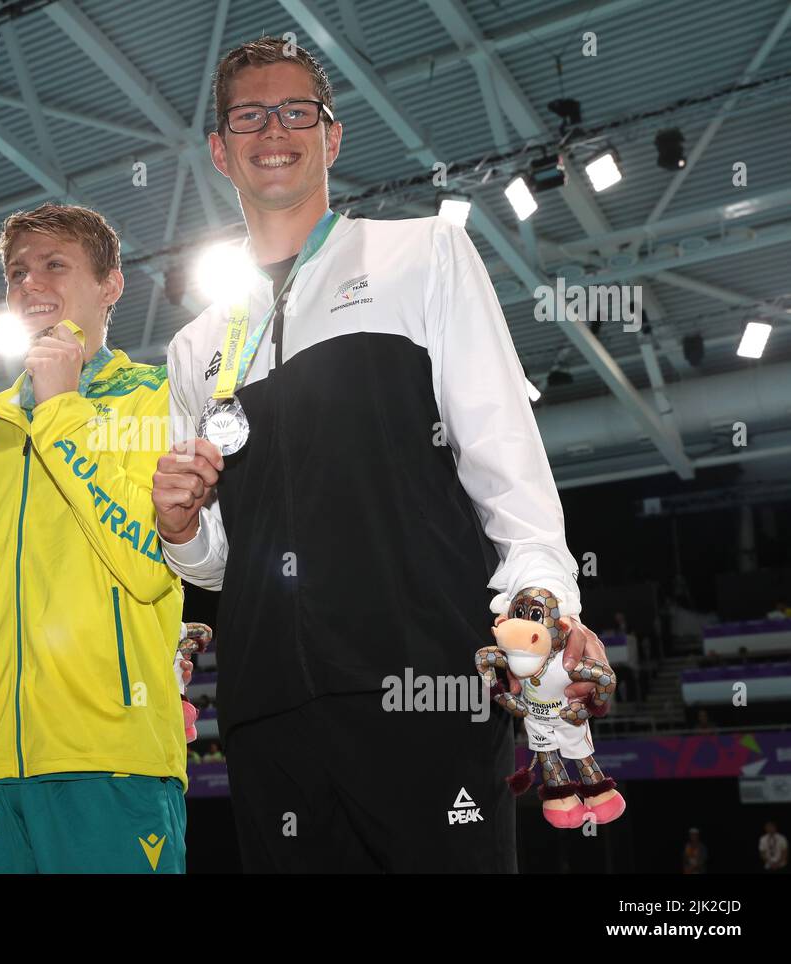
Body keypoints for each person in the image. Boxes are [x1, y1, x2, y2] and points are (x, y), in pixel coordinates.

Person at [153, 36, 613, 872]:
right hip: (267, 710)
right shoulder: (194, 348)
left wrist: (546, 596)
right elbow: (219, 565)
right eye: (249, 116)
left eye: (297, 110)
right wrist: (180, 525)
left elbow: (503, 454)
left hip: (421, 685)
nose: (274, 129)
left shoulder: (422, 254)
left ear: (332, 136)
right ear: (220, 150)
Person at [0, 204, 188, 873]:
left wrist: (62, 410)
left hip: (115, 766)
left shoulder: (157, 400)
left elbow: (149, 563)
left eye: (54, 265)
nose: (30, 285)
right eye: (17, 272)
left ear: (110, 284)